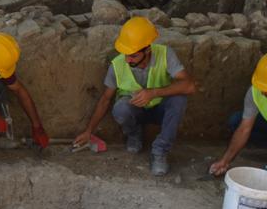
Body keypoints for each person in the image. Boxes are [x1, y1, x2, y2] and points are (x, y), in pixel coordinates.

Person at [74, 17, 197, 176]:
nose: (127, 59)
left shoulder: (165, 54)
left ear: (147, 50)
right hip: (136, 111)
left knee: (179, 99)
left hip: (161, 109)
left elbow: (190, 86)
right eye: (125, 54)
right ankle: (134, 133)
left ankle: (160, 151)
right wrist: (89, 131)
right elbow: (105, 100)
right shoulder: (118, 65)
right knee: (121, 108)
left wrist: (153, 92)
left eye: (132, 56)